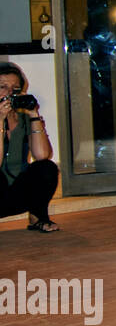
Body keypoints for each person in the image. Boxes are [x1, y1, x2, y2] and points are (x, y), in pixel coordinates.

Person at [0, 62, 59, 233]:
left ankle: (37, 217)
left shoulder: (22, 116)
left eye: (15, 88)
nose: (9, 93)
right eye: (3, 87)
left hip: (16, 192)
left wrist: (33, 114)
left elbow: (42, 155)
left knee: (47, 168)